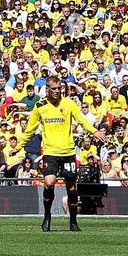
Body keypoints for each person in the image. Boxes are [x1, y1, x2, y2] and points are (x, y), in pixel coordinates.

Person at [17, 80, 105, 232]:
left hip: (68, 152)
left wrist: (94, 131)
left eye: (59, 88)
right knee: (49, 183)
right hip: (50, 153)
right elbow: (29, 129)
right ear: (47, 90)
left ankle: (72, 221)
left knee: (71, 189)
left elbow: (81, 120)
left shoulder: (69, 104)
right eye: (54, 88)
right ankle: (47, 216)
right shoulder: (40, 106)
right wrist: (18, 146)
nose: (57, 91)